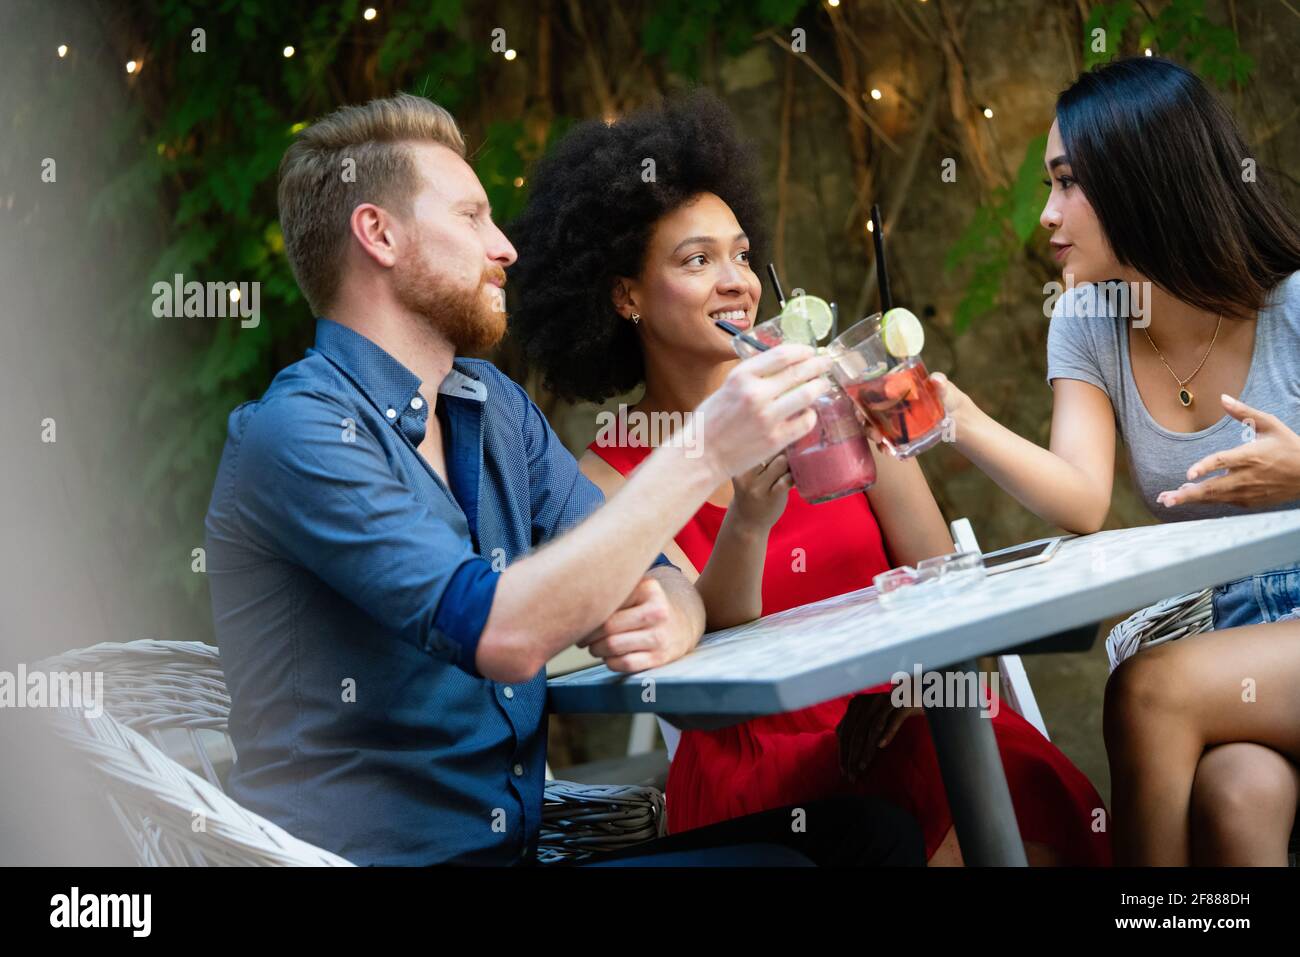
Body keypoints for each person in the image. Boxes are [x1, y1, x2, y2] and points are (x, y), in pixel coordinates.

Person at [204, 92, 927, 867]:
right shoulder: (300, 432)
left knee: (868, 834)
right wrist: (704, 451)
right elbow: (500, 631)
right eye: (472, 217)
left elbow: (663, 579)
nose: (504, 246)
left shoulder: (493, 409)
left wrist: (677, 610)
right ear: (379, 234)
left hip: (524, 855)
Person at [508, 90, 1112, 866]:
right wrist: (749, 518)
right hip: (758, 766)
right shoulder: (615, 477)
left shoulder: (836, 400)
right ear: (625, 296)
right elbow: (699, 646)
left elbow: (945, 584)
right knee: (958, 775)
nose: (738, 281)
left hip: (908, 715)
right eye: (697, 260)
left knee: (997, 761)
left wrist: (910, 685)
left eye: (740, 253)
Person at [929, 57, 1300, 865]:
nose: (1048, 215)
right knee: (1237, 798)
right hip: (1242, 637)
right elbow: (1080, 498)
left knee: (1147, 687)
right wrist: (956, 416)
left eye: (1067, 184)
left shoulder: (1293, 303)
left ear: (1142, 182)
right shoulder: (1089, 320)